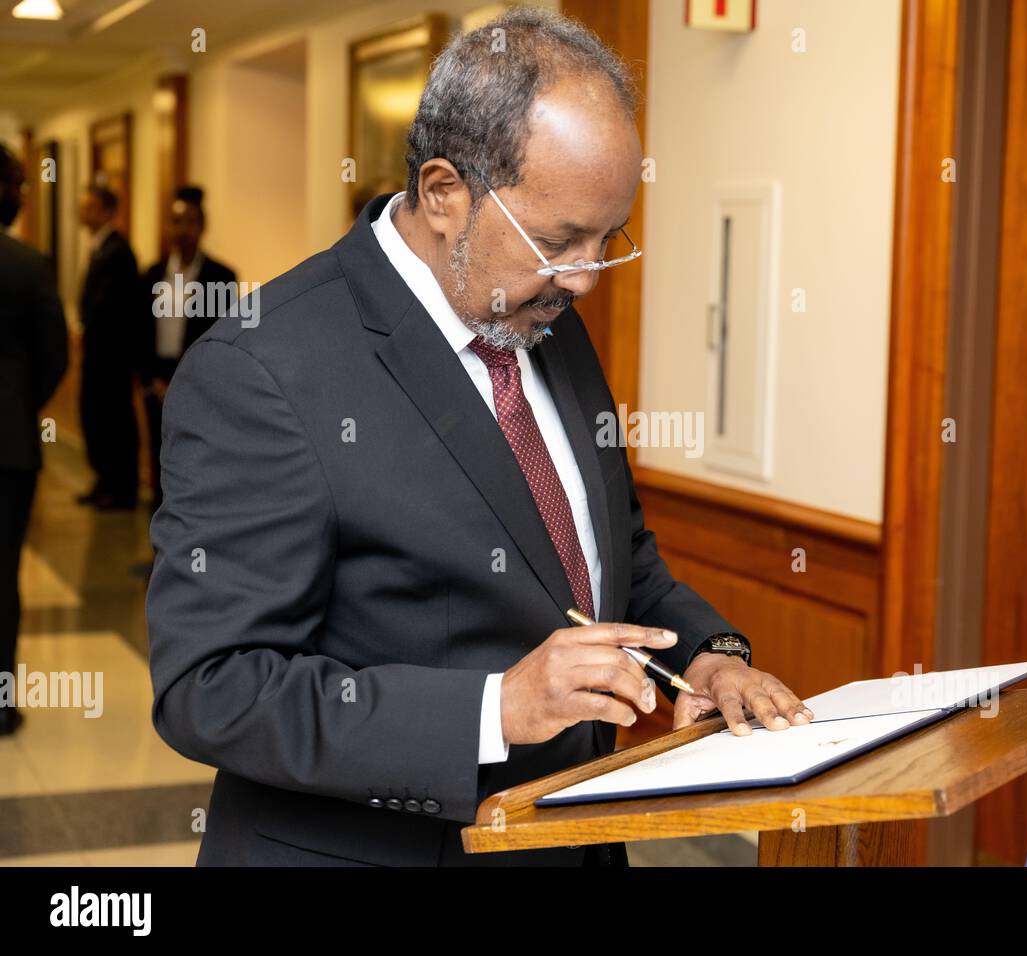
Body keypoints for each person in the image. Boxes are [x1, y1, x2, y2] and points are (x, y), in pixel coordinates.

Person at [147, 8, 813, 867]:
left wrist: (711, 658)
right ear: (442, 192)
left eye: (606, 240)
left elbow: (610, 560)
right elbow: (211, 688)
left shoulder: (542, 317)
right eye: (558, 238)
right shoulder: (261, 368)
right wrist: (494, 709)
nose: (583, 278)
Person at [0, 144, 68, 735]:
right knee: (3, 576)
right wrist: (20, 407)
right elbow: (54, 356)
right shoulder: (29, 265)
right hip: (9, 449)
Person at [138, 186, 236, 509]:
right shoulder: (153, 274)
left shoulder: (221, 277)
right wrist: (150, 378)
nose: (183, 230)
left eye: (190, 221)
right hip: (157, 379)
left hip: (196, 380)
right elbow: (139, 332)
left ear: (202, 226)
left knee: (192, 459)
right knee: (158, 454)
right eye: (176, 221)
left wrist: (190, 380)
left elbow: (222, 338)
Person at [76, 184, 139, 510]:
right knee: (95, 417)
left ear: (105, 211)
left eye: (89, 206)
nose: (82, 211)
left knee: (114, 418)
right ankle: (104, 480)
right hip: (96, 352)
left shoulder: (118, 251)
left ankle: (121, 487)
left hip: (112, 356)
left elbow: (114, 307)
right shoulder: (100, 248)